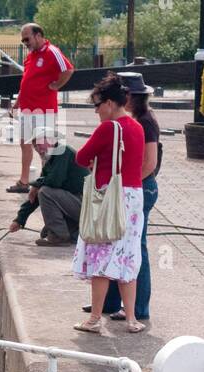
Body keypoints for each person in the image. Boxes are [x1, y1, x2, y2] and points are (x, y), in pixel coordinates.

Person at [72, 74, 146, 335]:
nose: (96, 111)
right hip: (134, 198)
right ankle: (132, 319)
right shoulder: (137, 127)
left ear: (111, 103)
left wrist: (97, 161)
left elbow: (81, 157)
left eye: (97, 105)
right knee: (127, 256)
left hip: (109, 198)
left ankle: (94, 318)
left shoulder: (108, 128)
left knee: (101, 256)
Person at [99, 72, 160, 324]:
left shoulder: (145, 122)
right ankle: (110, 301)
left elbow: (150, 163)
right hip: (130, 188)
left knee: (137, 248)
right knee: (115, 244)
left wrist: (127, 184)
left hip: (140, 189)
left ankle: (139, 306)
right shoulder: (130, 120)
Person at [8, 23, 73, 194]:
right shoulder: (31, 56)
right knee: (25, 144)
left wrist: (57, 85)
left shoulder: (51, 51)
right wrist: (17, 103)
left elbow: (68, 69)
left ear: (38, 35)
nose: (25, 42)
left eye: (27, 39)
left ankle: (47, 182)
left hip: (43, 110)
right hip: (27, 109)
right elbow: (26, 81)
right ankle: (24, 181)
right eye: (23, 40)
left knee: (45, 148)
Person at [8, 135, 88, 245]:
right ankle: (68, 233)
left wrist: (36, 185)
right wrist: (19, 220)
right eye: (35, 147)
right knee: (45, 232)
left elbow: (55, 181)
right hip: (76, 203)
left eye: (40, 145)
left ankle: (59, 236)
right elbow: (34, 197)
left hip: (85, 205)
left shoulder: (63, 151)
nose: (38, 149)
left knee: (45, 192)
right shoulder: (50, 162)